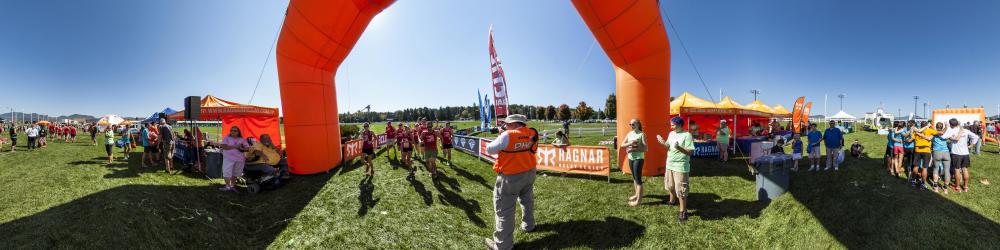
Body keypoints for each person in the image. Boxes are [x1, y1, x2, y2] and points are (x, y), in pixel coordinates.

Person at [484, 114, 538, 250]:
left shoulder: (507, 135)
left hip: (511, 177)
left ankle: (503, 245)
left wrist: (502, 135)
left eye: (507, 124)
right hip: (530, 172)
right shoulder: (533, 132)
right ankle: (529, 225)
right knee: (527, 200)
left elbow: (489, 149)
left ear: (513, 124)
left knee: (504, 210)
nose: (505, 126)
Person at [656, 116, 694, 223]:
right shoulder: (671, 134)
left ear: (679, 124)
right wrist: (662, 142)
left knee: (681, 188)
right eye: (671, 124)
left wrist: (679, 148)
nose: (671, 125)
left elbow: (690, 152)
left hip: (680, 166)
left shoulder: (687, 135)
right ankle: (672, 201)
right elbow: (668, 146)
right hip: (670, 164)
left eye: (673, 124)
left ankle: (683, 211)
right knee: (670, 185)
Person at [943, 118, 979, 193]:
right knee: (965, 169)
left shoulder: (951, 130)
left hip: (956, 153)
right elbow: (976, 137)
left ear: (950, 124)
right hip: (965, 153)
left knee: (957, 170)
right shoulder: (965, 130)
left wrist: (946, 128)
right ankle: (965, 187)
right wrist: (972, 145)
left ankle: (958, 187)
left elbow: (943, 136)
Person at [621, 118, 646, 207]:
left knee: (638, 180)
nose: (631, 126)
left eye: (633, 124)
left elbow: (645, 149)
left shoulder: (642, 134)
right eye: (630, 124)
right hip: (631, 158)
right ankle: (636, 194)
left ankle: (638, 201)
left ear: (638, 125)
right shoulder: (630, 134)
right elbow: (622, 144)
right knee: (634, 178)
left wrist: (634, 149)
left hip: (638, 158)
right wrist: (630, 143)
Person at [218, 126, 249, 192]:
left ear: (238, 132)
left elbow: (247, 148)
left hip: (240, 159)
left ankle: (232, 186)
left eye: (235, 131)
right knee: (227, 172)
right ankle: (227, 186)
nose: (233, 132)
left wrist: (242, 149)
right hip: (229, 158)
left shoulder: (242, 139)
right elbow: (224, 147)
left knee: (235, 173)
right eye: (232, 130)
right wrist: (235, 146)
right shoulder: (227, 138)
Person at [910, 121, 935, 190]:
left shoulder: (916, 131)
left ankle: (913, 181)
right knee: (925, 168)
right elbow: (938, 133)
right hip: (926, 150)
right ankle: (923, 184)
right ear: (926, 125)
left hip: (918, 150)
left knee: (916, 166)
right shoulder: (930, 130)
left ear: (921, 125)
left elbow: (912, 138)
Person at [930, 122, 951, 194]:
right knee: (947, 170)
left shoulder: (934, 133)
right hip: (946, 152)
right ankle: (945, 188)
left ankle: (935, 187)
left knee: (935, 169)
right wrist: (947, 127)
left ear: (936, 127)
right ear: (942, 127)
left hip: (937, 152)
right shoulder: (945, 133)